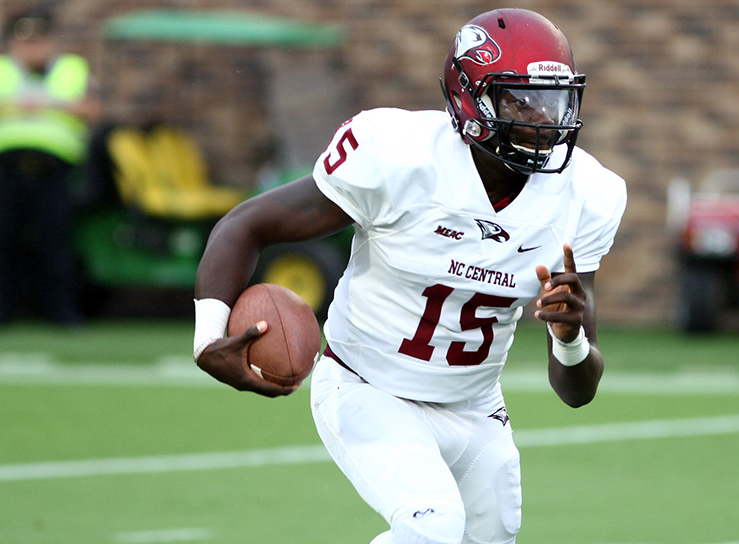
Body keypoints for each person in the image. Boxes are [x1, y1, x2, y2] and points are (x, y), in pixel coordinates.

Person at [193, 8, 626, 544]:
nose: (543, 117)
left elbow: (577, 391)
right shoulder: (397, 155)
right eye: (522, 99)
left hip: (475, 406)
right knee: (433, 529)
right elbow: (245, 225)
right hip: (369, 388)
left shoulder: (588, 193)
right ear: (470, 98)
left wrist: (569, 339)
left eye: (554, 100)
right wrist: (207, 337)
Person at [0, 6, 101, 325]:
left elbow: (91, 109)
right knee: (4, 242)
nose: (34, 49)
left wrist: (42, 104)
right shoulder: (2, 69)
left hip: (52, 173)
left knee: (55, 244)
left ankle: (62, 313)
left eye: (40, 41)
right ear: (13, 44)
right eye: (26, 42)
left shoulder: (72, 68)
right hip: (7, 170)